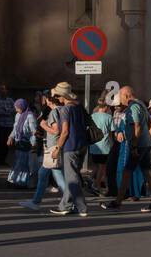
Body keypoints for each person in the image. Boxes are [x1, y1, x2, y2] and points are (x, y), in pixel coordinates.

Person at [101, 86, 151, 213]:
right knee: (147, 172)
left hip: (138, 145)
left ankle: (118, 202)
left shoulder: (133, 106)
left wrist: (133, 146)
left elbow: (137, 126)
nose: (120, 101)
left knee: (127, 172)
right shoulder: (141, 104)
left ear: (127, 95)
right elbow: (148, 123)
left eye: (121, 97)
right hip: (145, 143)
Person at [47, 82, 90, 219]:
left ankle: (82, 207)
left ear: (62, 96)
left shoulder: (66, 109)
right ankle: (65, 206)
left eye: (58, 95)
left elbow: (64, 132)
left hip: (70, 147)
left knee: (72, 179)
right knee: (72, 177)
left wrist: (57, 148)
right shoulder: (79, 107)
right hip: (83, 145)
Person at [18, 94, 67, 211]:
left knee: (58, 178)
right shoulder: (64, 110)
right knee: (44, 174)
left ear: (50, 101)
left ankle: (72, 201)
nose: (45, 101)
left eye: (47, 100)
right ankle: (36, 201)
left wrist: (44, 126)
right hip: (56, 146)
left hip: (53, 147)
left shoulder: (54, 112)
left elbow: (56, 131)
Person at [6, 98, 39, 188]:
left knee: (24, 163)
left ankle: (23, 182)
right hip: (18, 142)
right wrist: (11, 137)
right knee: (17, 162)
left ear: (22, 107)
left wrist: (34, 144)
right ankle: (16, 181)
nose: (16, 109)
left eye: (17, 108)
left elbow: (33, 132)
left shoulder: (30, 116)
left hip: (26, 143)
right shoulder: (17, 115)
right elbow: (15, 128)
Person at [87, 97, 113, 195]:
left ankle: (90, 179)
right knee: (102, 166)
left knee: (96, 165)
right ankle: (96, 185)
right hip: (105, 146)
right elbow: (111, 133)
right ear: (106, 107)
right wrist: (113, 144)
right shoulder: (108, 117)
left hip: (94, 145)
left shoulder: (92, 116)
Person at [0, 85, 15, 165]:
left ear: (7, 91)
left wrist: (5, 111)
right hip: (0, 124)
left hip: (9, 124)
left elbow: (14, 109)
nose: (3, 91)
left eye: (5, 89)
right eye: (1, 89)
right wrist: (8, 112)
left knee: (7, 142)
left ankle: (3, 160)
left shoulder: (10, 100)